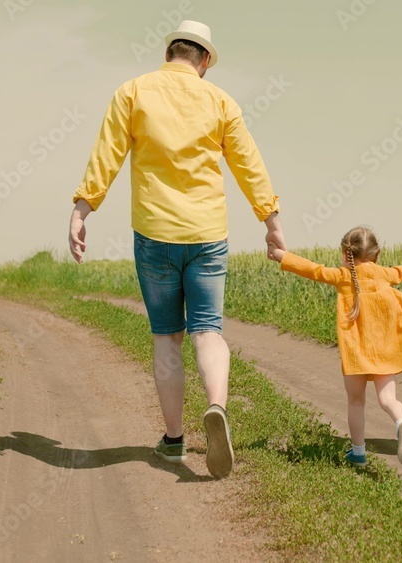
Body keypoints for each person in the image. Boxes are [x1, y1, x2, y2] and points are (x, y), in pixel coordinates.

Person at [67, 20, 286, 479]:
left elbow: (107, 154)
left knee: (167, 337)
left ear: (170, 52)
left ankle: (173, 442)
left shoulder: (132, 92)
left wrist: (82, 210)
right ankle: (217, 406)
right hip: (207, 235)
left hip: (154, 235)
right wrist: (270, 221)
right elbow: (249, 164)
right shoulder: (220, 100)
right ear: (203, 60)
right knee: (208, 330)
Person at [270, 227, 402, 467]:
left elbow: (312, 270)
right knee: (387, 399)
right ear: (376, 253)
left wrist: (280, 255)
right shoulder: (385, 273)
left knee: (356, 402)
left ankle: (358, 453)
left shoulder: (341, 276)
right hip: (385, 352)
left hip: (356, 354)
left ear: (344, 253)